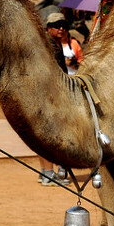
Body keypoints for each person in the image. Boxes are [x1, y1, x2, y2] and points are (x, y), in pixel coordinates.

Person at [37, 13, 83, 186]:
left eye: (63, 24)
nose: (61, 28)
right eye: (56, 25)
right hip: (50, 95)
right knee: (48, 136)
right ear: (48, 28)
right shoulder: (49, 47)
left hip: (51, 94)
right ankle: (48, 174)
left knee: (45, 135)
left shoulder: (57, 45)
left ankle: (46, 173)